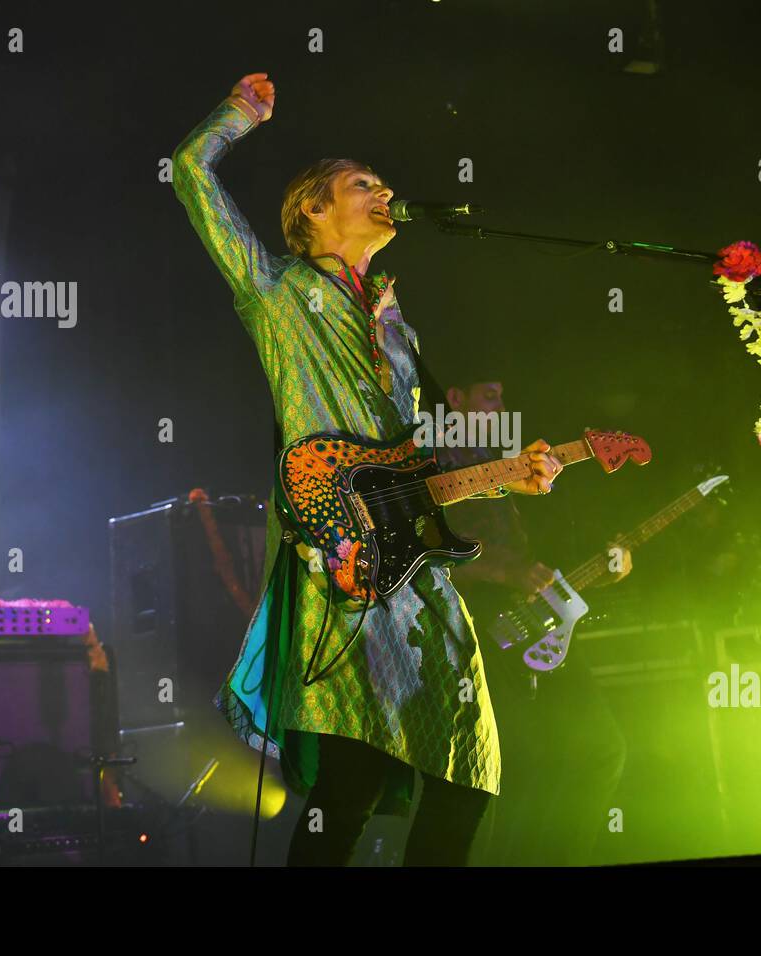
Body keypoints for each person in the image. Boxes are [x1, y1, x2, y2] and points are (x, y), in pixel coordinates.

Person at [171, 73, 564, 866]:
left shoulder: (396, 330)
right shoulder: (276, 290)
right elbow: (189, 172)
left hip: (416, 562)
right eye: (363, 185)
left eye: (384, 184)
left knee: (469, 769)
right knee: (346, 783)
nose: (385, 192)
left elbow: (411, 465)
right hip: (341, 564)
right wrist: (239, 115)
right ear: (313, 209)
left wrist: (502, 477)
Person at [437, 377, 631, 866]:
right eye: (488, 395)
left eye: (503, 397)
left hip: (535, 625)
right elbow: (423, 553)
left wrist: (602, 566)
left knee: (601, 748)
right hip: (472, 632)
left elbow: (544, 556)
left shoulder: (515, 461)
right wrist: (503, 570)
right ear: (455, 398)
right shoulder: (432, 462)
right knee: (513, 768)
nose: (501, 406)